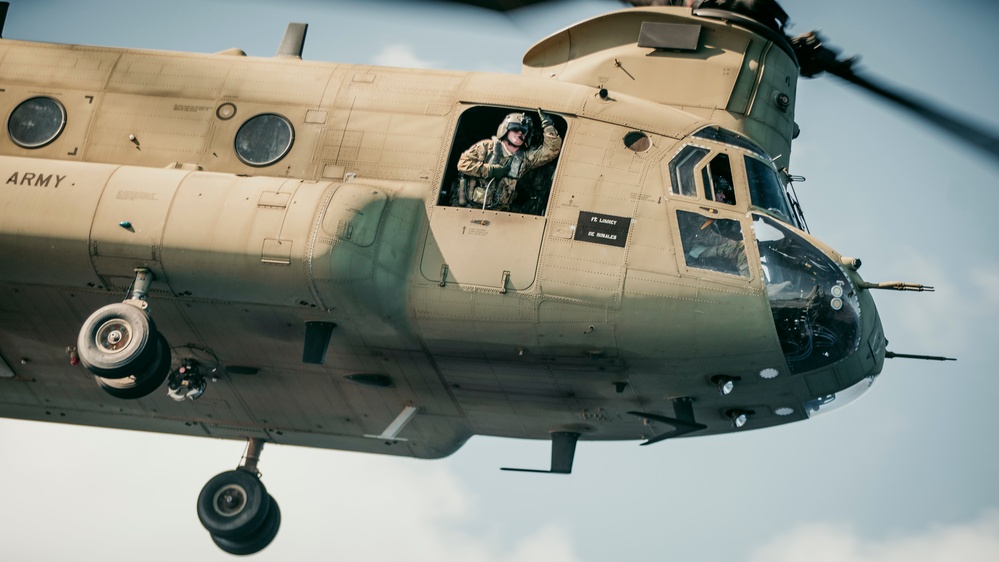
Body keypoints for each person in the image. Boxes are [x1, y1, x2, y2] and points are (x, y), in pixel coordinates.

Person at [453, 111, 562, 212]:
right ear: (506, 129)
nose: (520, 133)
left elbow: (551, 151)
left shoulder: (525, 158)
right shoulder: (487, 147)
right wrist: (489, 171)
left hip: (499, 213)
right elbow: (463, 164)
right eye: (515, 129)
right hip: (469, 208)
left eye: (524, 131)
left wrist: (548, 126)